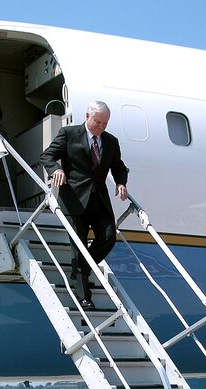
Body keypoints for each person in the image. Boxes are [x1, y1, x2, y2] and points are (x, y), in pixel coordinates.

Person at [39, 100, 129, 309]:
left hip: (99, 201)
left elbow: (119, 167)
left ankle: (82, 269)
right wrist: (56, 170)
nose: (101, 127)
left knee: (108, 238)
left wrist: (121, 183)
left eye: (105, 123)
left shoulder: (110, 141)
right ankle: (84, 297)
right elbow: (47, 156)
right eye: (98, 122)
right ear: (88, 116)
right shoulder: (69, 134)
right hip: (74, 200)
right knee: (78, 247)